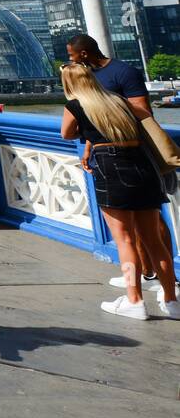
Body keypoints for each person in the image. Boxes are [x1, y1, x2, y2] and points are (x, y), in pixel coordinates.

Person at [68, 34, 179, 305]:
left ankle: (142, 294)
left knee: (136, 233)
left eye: (71, 55)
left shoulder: (122, 72)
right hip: (106, 152)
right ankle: (157, 284)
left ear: (83, 54)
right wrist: (89, 145)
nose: (69, 59)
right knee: (143, 231)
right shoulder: (91, 77)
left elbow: (143, 109)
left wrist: (106, 103)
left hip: (135, 152)